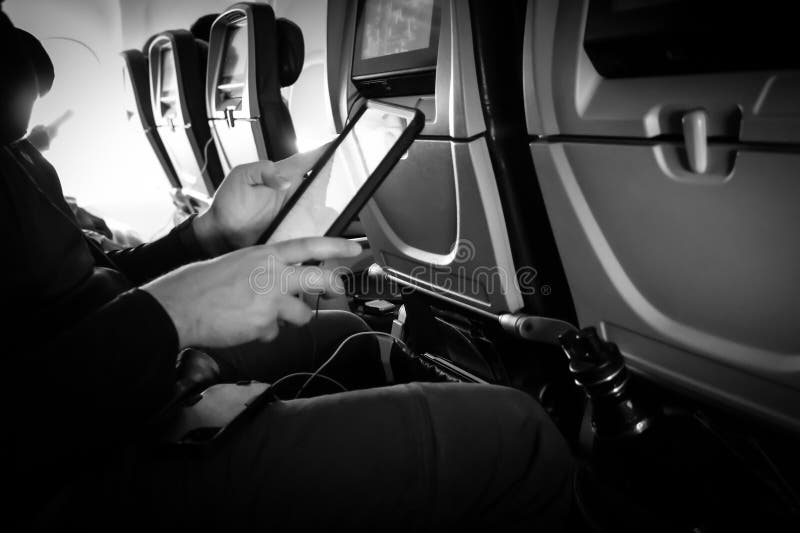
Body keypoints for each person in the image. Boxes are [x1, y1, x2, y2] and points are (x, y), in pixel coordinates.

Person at [0, 10, 575, 532]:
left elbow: (81, 282)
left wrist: (207, 234)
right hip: (71, 479)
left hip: (113, 385)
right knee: (516, 435)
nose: (27, 58)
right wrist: (173, 314)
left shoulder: (15, 156)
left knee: (349, 334)